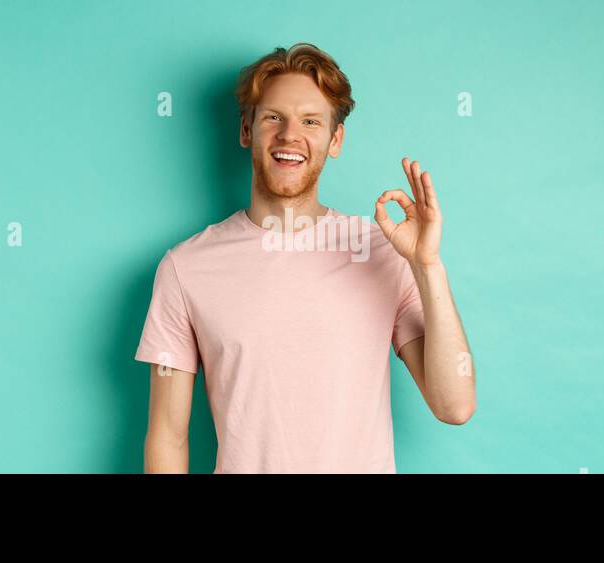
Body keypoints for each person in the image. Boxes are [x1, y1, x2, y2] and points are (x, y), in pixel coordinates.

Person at [135, 42, 475, 473]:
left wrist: (427, 265)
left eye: (311, 121)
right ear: (246, 130)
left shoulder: (382, 254)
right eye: (274, 117)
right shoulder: (186, 268)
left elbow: (455, 404)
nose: (290, 135)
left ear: (335, 140)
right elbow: (168, 434)